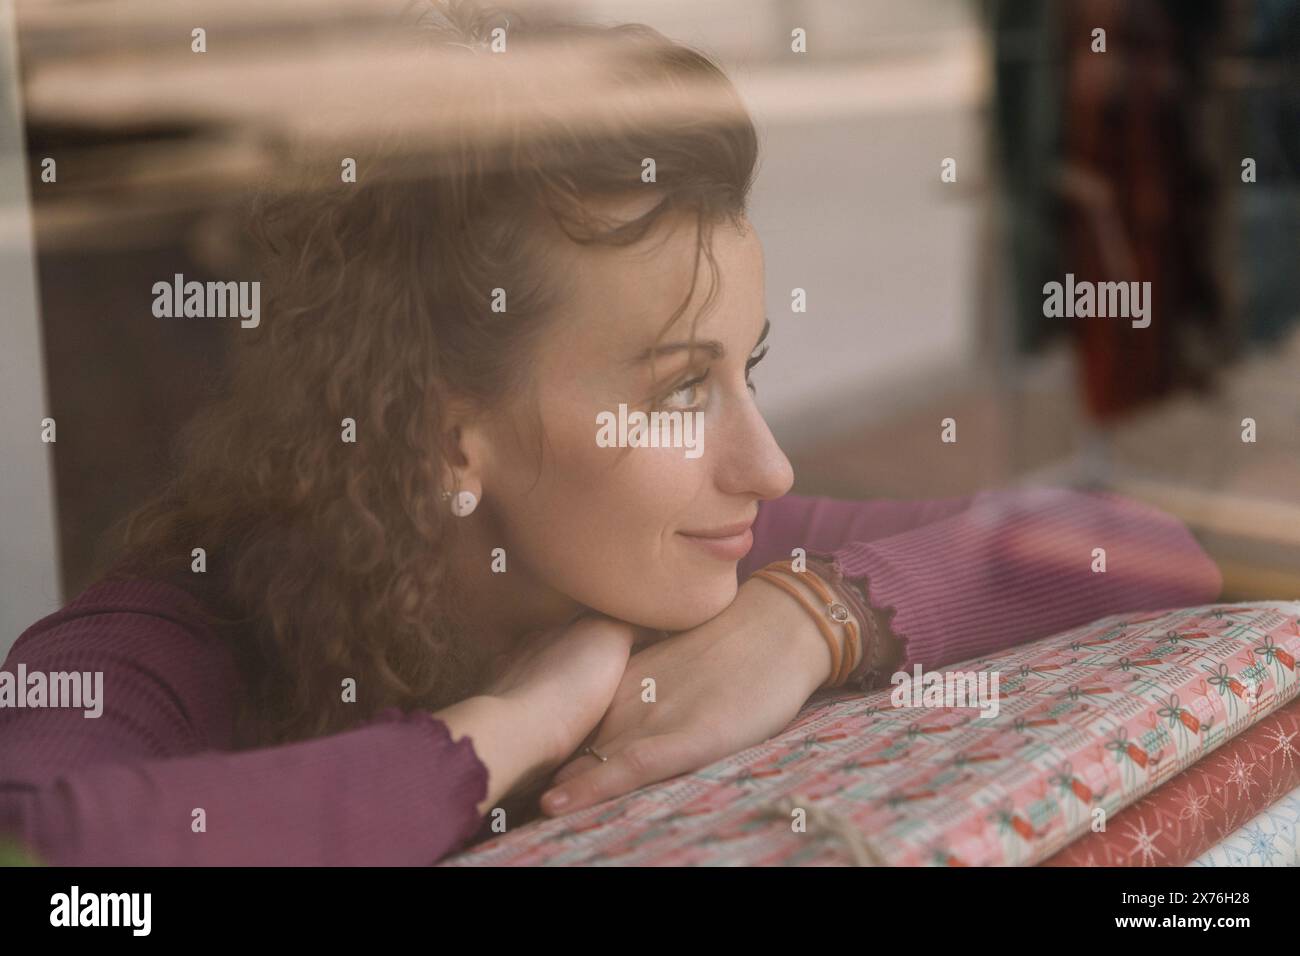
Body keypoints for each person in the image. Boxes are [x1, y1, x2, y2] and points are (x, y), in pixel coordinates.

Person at [0, 0, 1222, 866]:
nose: (769, 465)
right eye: (682, 387)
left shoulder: (699, 563)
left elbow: (1146, 547)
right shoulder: (172, 637)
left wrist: (810, 619)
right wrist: (507, 729)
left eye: (747, 369)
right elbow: (50, 854)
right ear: (448, 440)